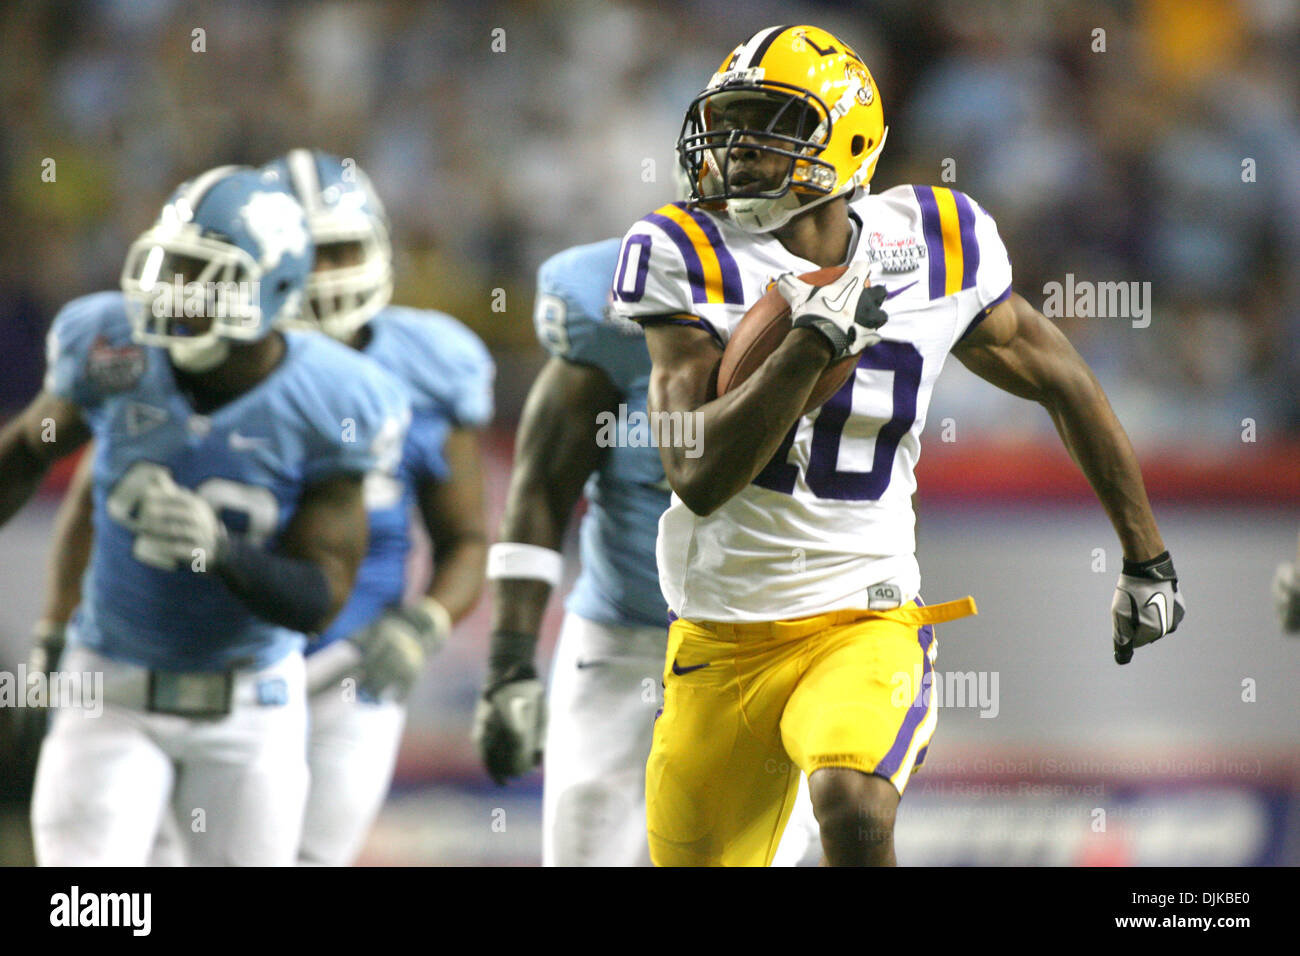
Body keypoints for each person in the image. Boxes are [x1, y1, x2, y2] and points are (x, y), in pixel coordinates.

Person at [609, 24, 1187, 866]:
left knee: (852, 798)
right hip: (718, 633)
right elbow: (696, 472)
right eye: (726, 125)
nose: (736, 152)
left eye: (768, 125)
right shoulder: (682, 251)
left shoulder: (931, 238)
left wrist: (1147, 560)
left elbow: (1062, 378)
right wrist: (812, 343)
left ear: (840, 140)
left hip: (862, 614)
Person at [29, 150, 495, 867]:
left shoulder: (421, 366)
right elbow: (100, 494)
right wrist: (56, 626)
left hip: (345, 657)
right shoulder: (186, 356)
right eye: (315, 254)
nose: (325, 278)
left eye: (341, 252)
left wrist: (422, 625)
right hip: (191, 649)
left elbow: (466, 536)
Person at [472, 238, 819, 866]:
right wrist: (509, 661)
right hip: (626, 635)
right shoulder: (616, 301)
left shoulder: (841, 300)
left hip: (770, 647)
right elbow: (543, 484)